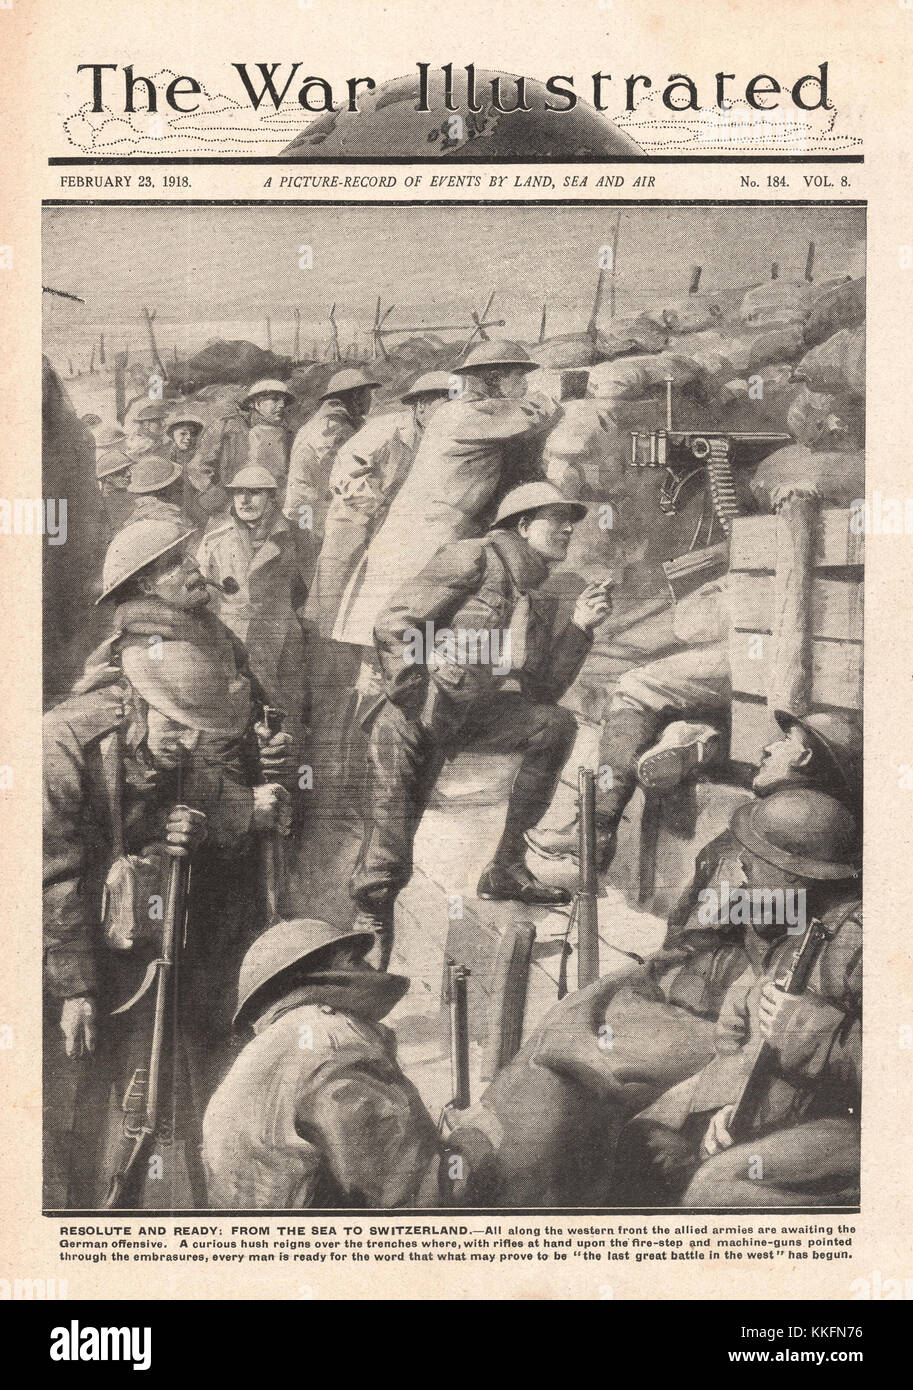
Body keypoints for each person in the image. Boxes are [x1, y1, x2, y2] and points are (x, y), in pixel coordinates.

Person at [43, 518, 292, 1207]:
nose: (188, 745)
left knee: (162, 1062)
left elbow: (179, 772)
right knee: (86, 1090)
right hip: (69, 941)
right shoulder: (67, 743)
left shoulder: (172, 710)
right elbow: (55, 869)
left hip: (143, 924)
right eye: (175, 563)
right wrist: (73, 990)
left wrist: (177, 822)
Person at [350, 481, 611, 968]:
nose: (567, 529)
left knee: (552, 725)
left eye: (569, 520)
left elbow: (541, 693)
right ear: (521, 525)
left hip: (466, 715)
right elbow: (394, 624)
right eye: (555, 519)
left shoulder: (537, 596)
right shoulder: (473, 558)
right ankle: (370, 921)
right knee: (393, 834)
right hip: (408, 714)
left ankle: (506, 868)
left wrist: (580, 627)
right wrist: (419, 691)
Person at [615, 788, 862, 1208]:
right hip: (789, 1102)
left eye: (755, 858)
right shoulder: (793, 928)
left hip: (860, 1130)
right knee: (646, 1142)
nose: (742, 867)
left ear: (794, 875)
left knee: (714, 1190)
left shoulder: (860, 943)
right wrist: (738, 1107)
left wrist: (818, 1032)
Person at [203, 918, 481, 1209]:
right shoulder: (332, 1040)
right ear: (327, 973)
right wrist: (476, 1134)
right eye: (356, 958)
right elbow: (418, 1194)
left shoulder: (271, 1048)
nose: (371, 967)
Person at [335, 341, 559, 651]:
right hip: (428, 535)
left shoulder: (467, 411)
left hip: (430, 530)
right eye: (518, 377)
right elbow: (536, 413)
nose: (524, 385)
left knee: (408, 634)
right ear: (494, 377)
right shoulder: (465, 414)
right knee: (399, 634)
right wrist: (558, 392)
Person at [316, 370, 454, 643]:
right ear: (422, 405)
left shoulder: (443, 439)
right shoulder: (387, 429)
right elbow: (344, 475)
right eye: (444, 405)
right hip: (354, 522)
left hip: (395, 530)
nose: (450, 414)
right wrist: (380, 505)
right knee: (337, 606)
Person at [196, 465, 310, 772]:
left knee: (284, 726)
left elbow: (306, 592)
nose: (245, 500)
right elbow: (200, 593)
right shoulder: (215, 540)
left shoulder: (297, 540)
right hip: (231, 644)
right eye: (238, 493)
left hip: (280, 643)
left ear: (272, 498)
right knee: (233, 725)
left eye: (255, 492)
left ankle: (284, 800)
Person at [282, 366, 381, 572]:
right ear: (355, 396)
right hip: (314, 517)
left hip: (306, 513)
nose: (370, 400)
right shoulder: (335, 429)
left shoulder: (328, 423)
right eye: (367, 394)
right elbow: (339, 479)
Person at [196, 379, 295, 490]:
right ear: (256, 403)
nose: (282, 405)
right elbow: (200, 467)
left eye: (284, 401)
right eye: (275, 399)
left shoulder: (288, 435)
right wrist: (219, 496)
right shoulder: (226, 427)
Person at [124, 453, 186, 525]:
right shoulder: (169, 515)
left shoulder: (139, 512)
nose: (181, 488)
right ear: (164, 490)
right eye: (178, 482)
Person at [95, 440, 136, 533]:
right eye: (122, 472)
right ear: (108, 477)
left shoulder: (131, 495)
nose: (129, 474)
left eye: (128, 469)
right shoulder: (102, 505)